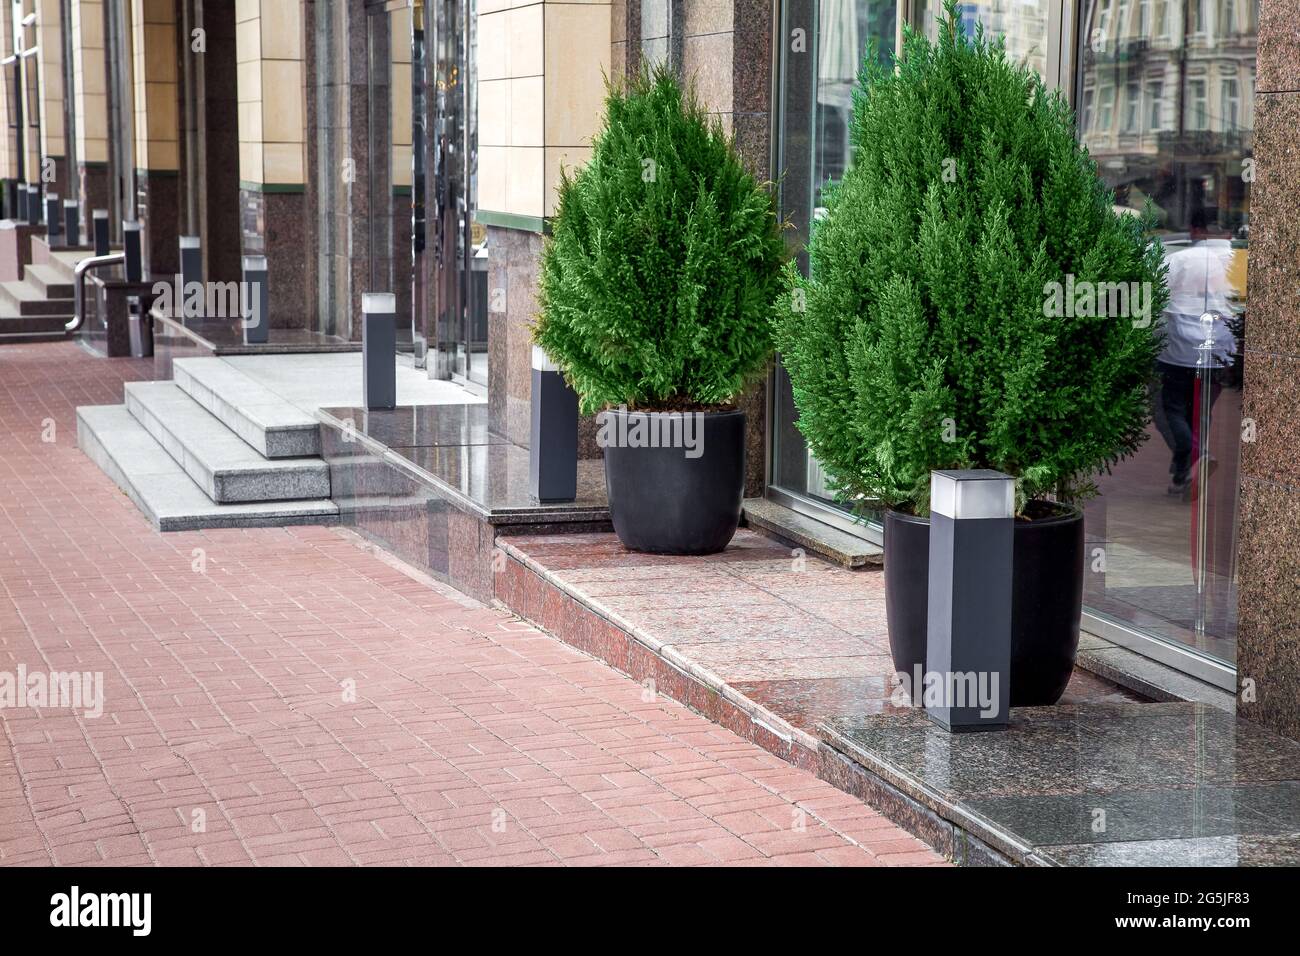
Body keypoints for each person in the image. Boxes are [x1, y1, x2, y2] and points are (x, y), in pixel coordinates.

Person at [1156, 207, 1238, 497]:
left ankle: (1196, 456)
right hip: (1217, 352)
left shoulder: (1178, 260)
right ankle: (1183, 475)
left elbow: (1155, 299)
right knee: (1200, 415)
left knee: (1170, 411)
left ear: (1193, 231)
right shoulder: (1231, 260)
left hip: (1178, 351)